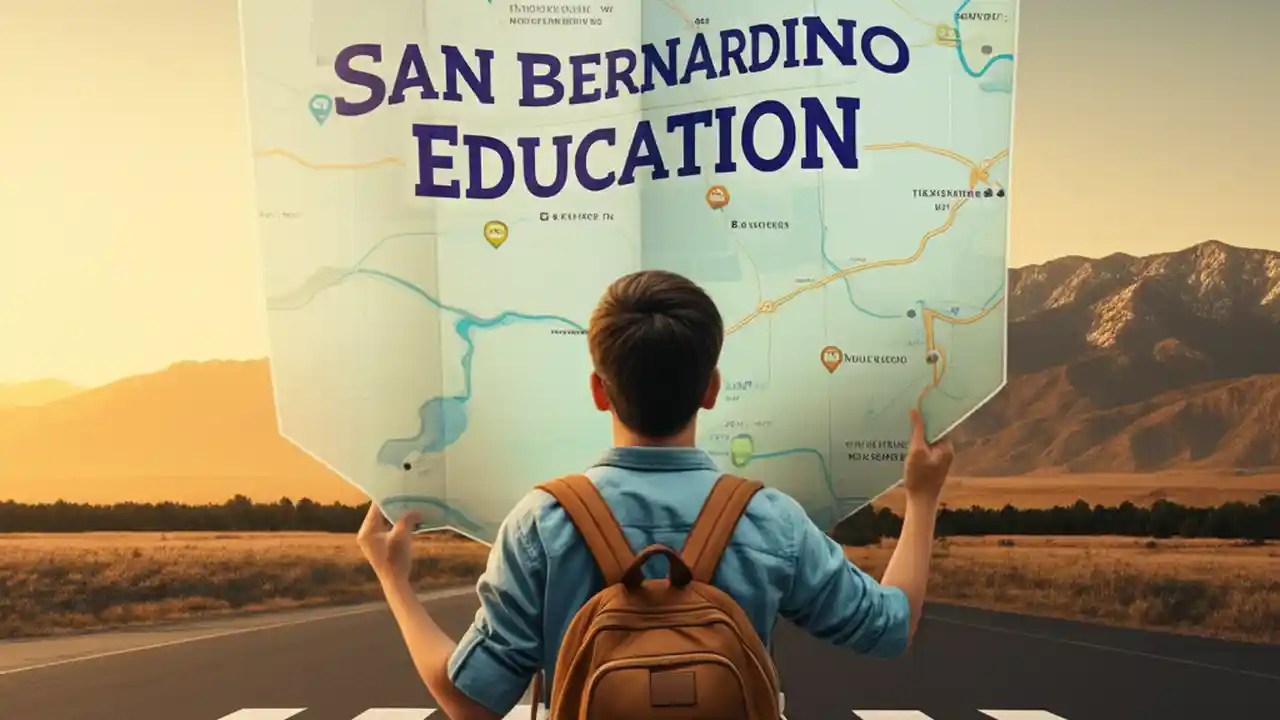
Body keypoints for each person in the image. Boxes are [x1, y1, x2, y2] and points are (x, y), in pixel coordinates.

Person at [358, 270, 954, 720]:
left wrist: (395, 582)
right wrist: (921, 499)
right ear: (713, 389)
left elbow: (469, 702)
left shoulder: (540, 524)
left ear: (598, 390)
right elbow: (890, 627)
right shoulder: (770, 521)